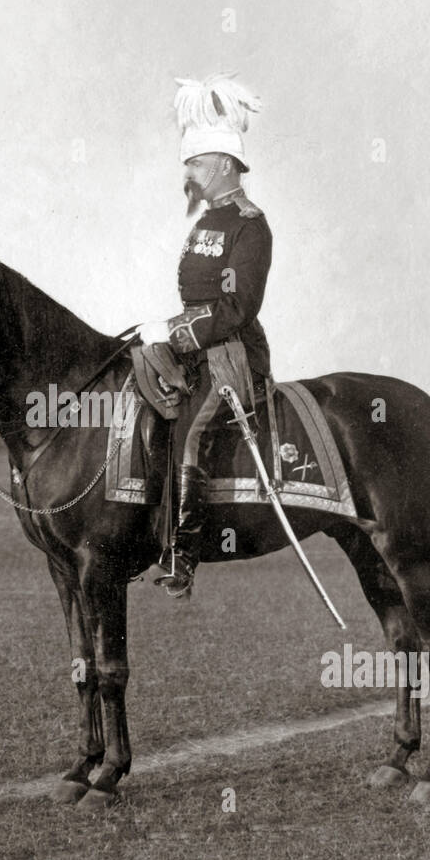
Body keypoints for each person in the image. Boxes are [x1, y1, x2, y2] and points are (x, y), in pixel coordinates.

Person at [137, 75, 273, 598]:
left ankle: (183, 553)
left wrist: (173, 332)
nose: (188, 172)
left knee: (191, 431)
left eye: (193, 163)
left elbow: (236, 308)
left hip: (232, 354)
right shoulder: (204, 221)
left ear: (219, 163)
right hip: (195, 342)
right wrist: (162, 333)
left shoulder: (249, 224)